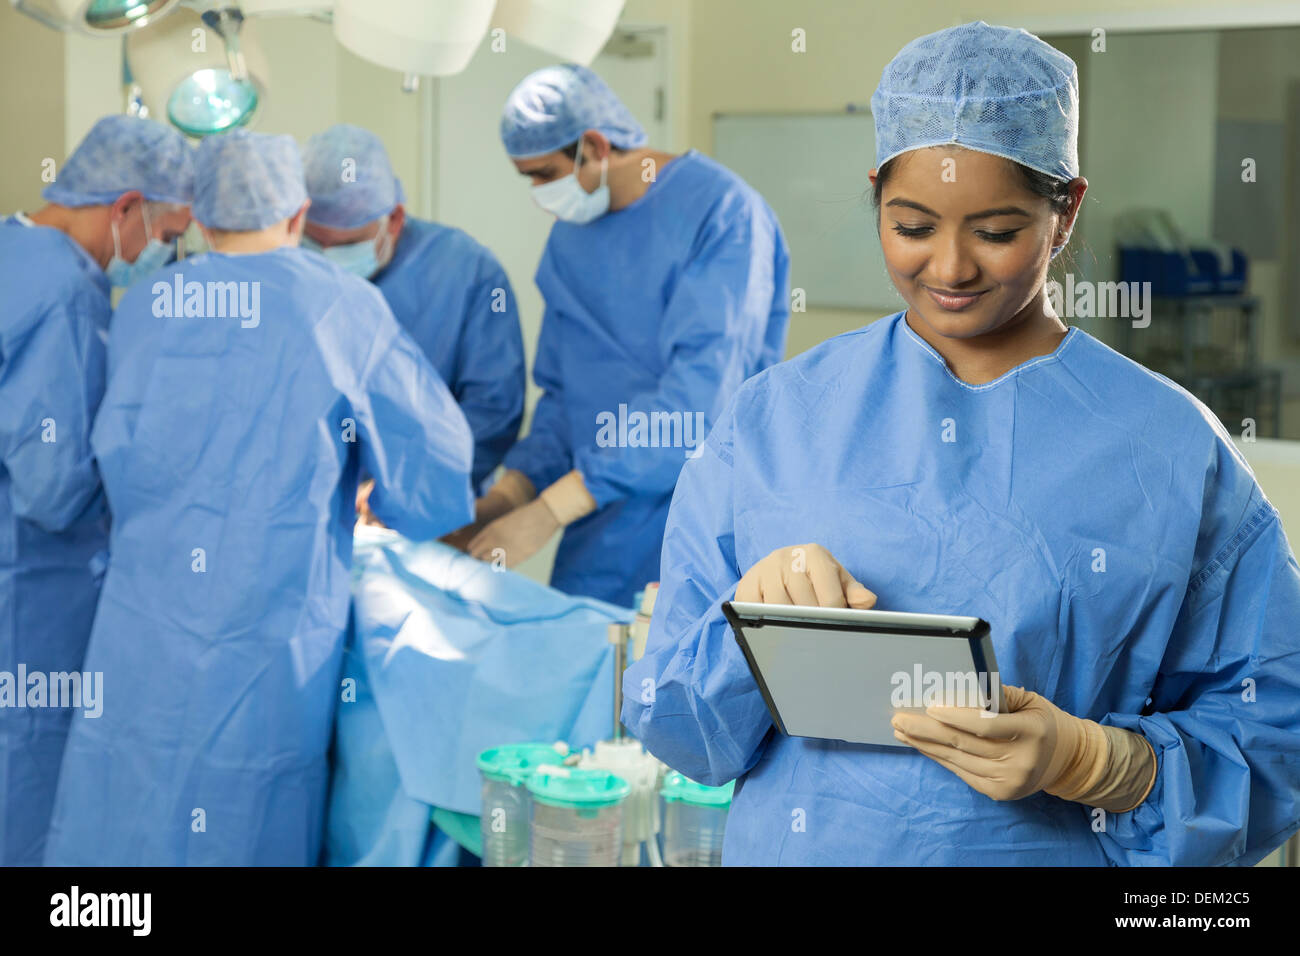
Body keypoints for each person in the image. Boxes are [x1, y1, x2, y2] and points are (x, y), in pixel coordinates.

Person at [623, 21, 1300, 865]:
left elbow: (1274, 730)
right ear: (875, 195)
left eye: (995, 231)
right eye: (912, 227)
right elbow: (675, 727)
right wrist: (743, 631)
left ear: (1066, 211)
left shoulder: (1171, 450)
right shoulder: (774, 421)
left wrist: (1101, 764)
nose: (950, 268)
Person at [44, 130, 475, 866]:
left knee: (125, 807)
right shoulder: (342, 306)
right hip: (268, 640)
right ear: (300, 214)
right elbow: (436, 463)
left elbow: (108, 463)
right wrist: (384, 497)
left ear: (201, 220)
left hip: (138, 632)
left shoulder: (143, 307)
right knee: (248, 810)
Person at [456, 64, 790, 607]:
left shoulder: (722, 214)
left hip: (695, 518)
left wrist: (552, 509)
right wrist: (510, 494)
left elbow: (697, 402)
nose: (540, 193)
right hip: (598, 529)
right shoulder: (571, 241)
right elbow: (564, 397)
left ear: (593, 144)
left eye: (544, 173)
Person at [0, 115, 193, 865]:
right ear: (124, 207)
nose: (162, 256)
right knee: (24, 782)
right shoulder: (63, 292)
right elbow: (52, 492)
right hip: (25, 598)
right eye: (166, 236)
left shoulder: (11, 248)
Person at [302, 124, 525, 491]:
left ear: (394, 220)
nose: (328, 257)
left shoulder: (466, 272)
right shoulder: (287, 272)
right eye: (313, 241)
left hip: (424, 503)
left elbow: (492, 412)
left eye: (348, 245)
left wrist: (408, 490)